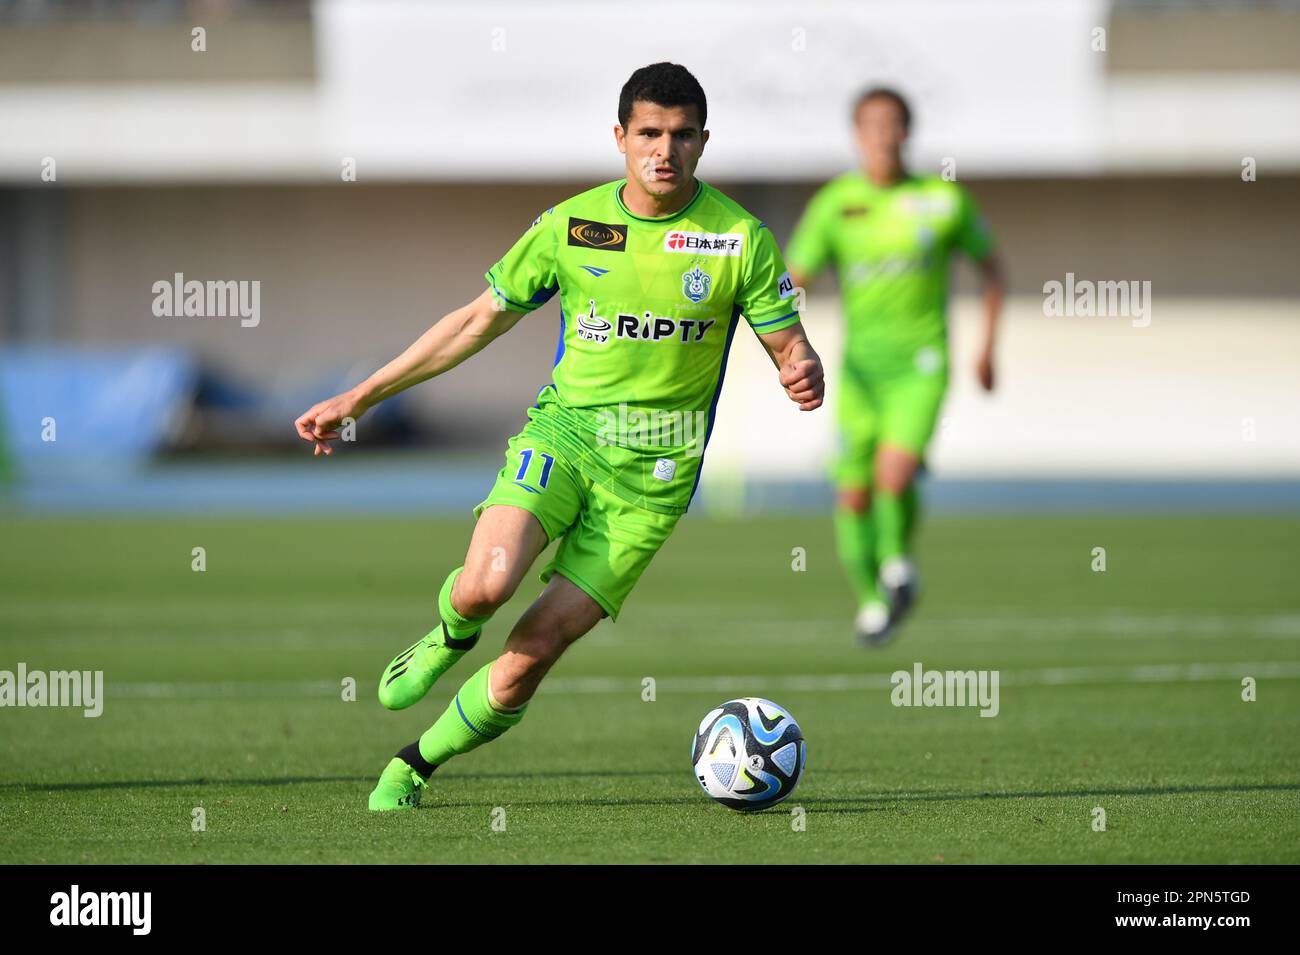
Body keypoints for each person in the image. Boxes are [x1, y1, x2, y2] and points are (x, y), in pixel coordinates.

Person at [293, 62, 825, 810]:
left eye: (680, 135)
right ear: (620, 137)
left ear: (703, 141)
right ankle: (450, 631)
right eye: (648, 133)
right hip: (566, 439)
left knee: (530, 654)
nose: (662, 151)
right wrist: (362, 395)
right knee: (484, 588)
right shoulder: (573, 226)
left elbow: (790, 346)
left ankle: (411, 766)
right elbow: (479, 319)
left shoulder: (740, 239)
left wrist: (804, 369)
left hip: (653, 483)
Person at [785, 87, 1004, 646]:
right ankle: (873, 601)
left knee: (894, 473)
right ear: (857, 135)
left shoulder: (941, 200)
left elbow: (991, 268)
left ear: (908, 132)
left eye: (893, 124)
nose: (883, 134)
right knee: (853, 495)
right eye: (872, 125)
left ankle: (896, 562)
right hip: (858, 372)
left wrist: (987, 347)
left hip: (921, 363)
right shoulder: (837, 204)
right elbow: (793, 279)